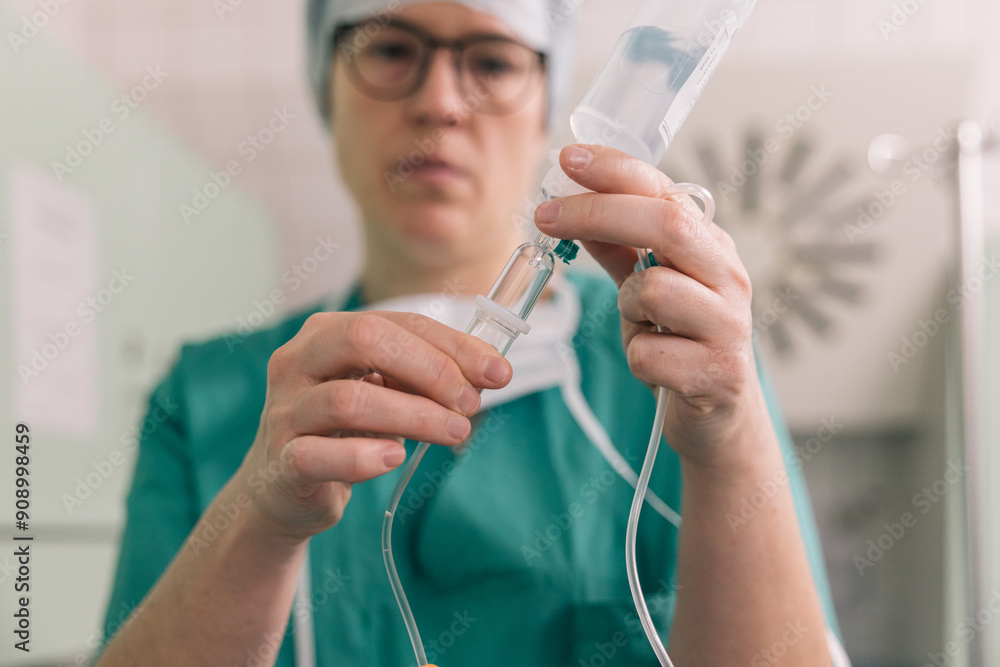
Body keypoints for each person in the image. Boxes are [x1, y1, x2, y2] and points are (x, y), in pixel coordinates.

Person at [97, 1, 846, 665]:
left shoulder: (674, 360)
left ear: (547, 103)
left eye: (491, 59)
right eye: (392, 49)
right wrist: (259, 522)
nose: (441, 102)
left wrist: (729, 432)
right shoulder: (208, 399)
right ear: (327, 84)